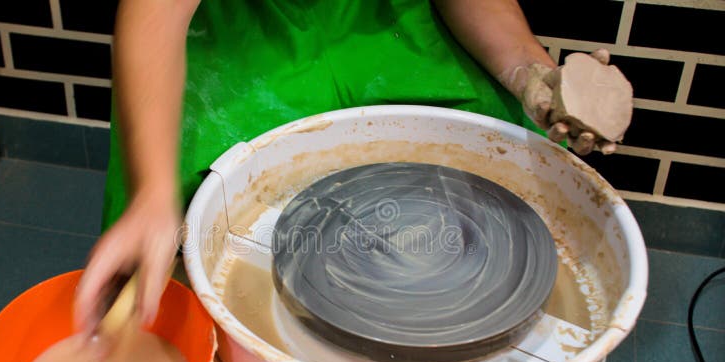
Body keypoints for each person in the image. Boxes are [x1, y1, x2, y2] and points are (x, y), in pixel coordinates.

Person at [74, 0, 628, 335]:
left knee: (511, 150)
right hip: (244, 33)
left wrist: (528, 71)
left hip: (382, 24)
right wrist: (151, 194)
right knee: (179, 204)